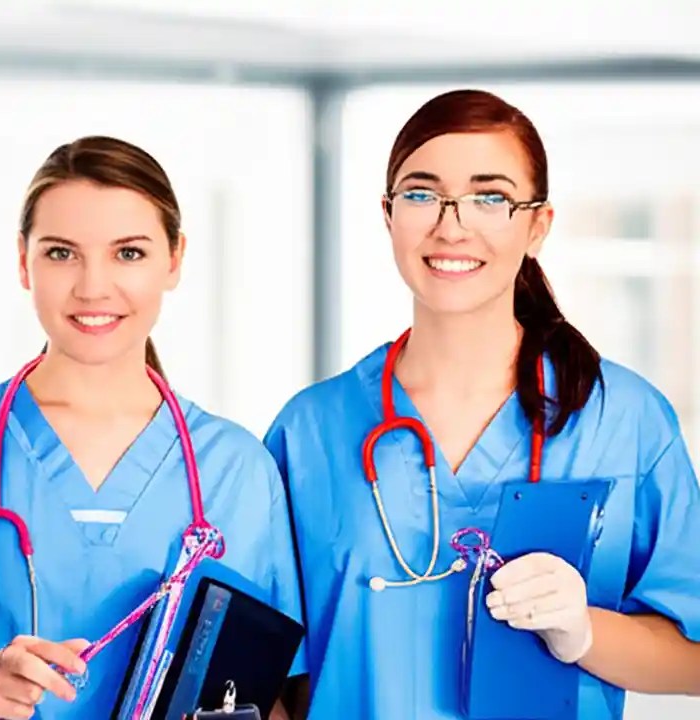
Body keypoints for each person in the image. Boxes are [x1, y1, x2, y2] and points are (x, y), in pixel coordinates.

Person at [264, 88, 700, 719]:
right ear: (388, 215)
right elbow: (267, 670)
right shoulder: (311, 429)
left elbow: (692, 656)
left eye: (490, 196)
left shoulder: (624, 418)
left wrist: (584, 633)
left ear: (537, 225)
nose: (451, 223)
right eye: (421, 193)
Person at [0, 136, 305, 719]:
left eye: (128, 253)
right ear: (23, 261)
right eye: (61, 253)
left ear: (174, 259)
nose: (93, 287)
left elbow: (270, 701)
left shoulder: (238, 471)